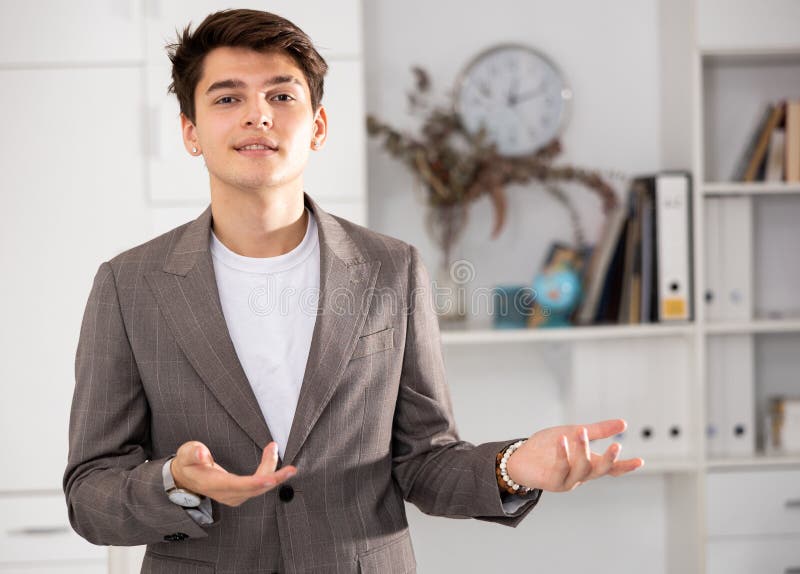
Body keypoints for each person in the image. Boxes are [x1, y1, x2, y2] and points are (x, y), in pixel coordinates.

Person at [63, 9, 644, 574]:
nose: (258, 115)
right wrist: (173, 482)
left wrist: (514, 466)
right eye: (227, 97)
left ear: (317, 126)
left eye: (282, 95)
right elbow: (89, 493)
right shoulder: (128, 285)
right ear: (191, 131)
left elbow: (424, 463)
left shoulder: (393, 268)